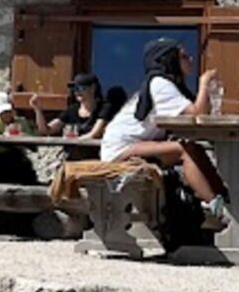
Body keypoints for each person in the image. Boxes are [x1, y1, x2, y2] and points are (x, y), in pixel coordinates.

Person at [99, 38, 230, 228]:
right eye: (184, 56)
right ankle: (217, 207)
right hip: (120, 148)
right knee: (184, 150)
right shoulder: (160, 83)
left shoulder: (169, 85)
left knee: (194, 150)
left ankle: (224, 199)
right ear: (170, 59)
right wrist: (203, 85)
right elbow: (196, 113)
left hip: (134, 144)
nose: (190, 59)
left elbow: (192, 115)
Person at [31, 74, 123, 141]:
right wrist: (38, 110)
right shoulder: (72, 109)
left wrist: (73, 141)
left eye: (81, 88)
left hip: (96, 156)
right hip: (72, 156)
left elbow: (94, 134)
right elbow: (46, 130)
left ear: (93, 88)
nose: (76, 92)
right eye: (74, 89)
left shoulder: (104, 108)